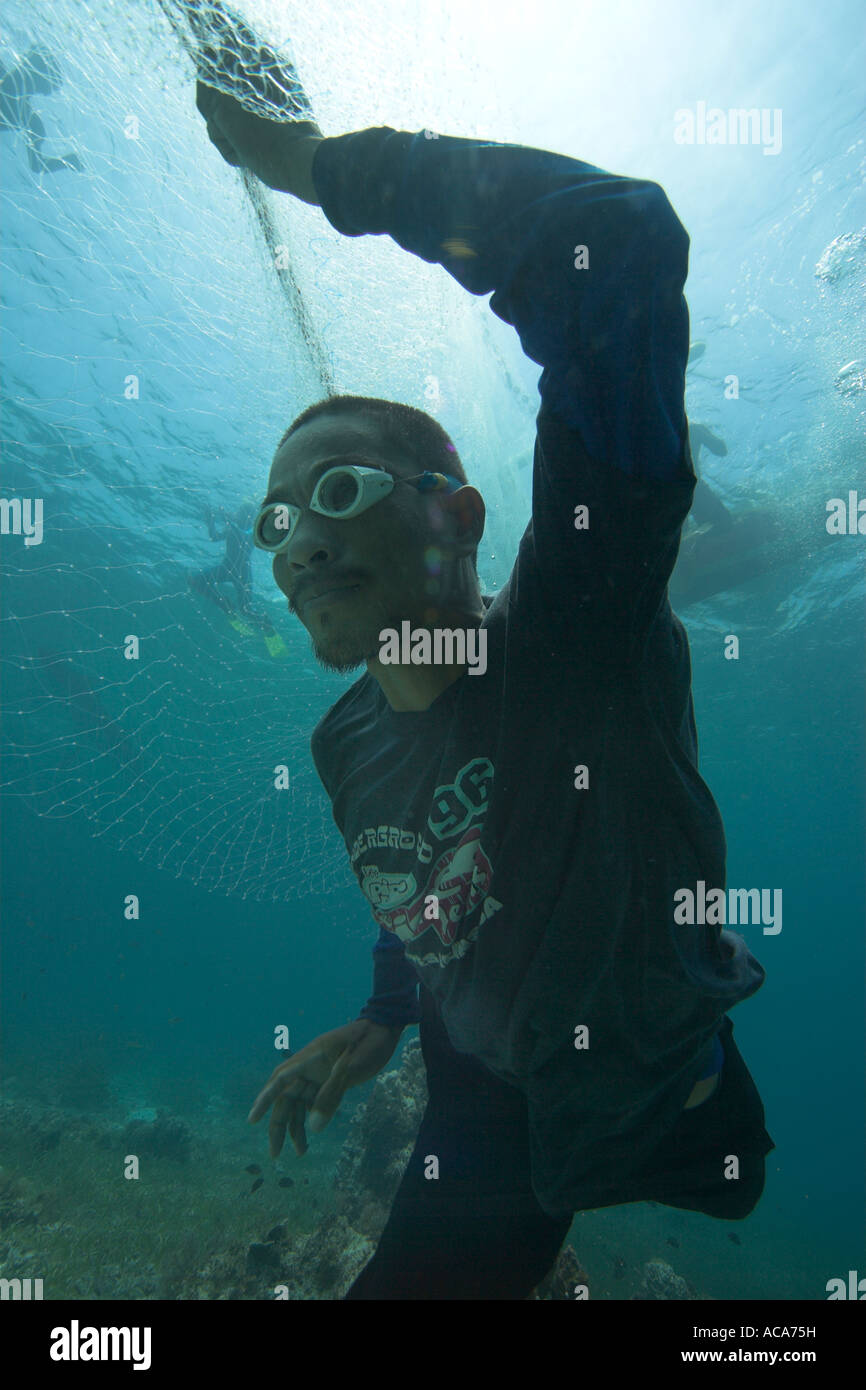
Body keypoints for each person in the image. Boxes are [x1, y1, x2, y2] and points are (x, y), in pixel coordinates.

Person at [195, 82, 775, 1300]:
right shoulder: (340, 741)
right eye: (278, 521)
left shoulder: (576, 623)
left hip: (644, 1092)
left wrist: (314, 167)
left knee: (726, 1180)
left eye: (341, 489)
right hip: (479, 1087)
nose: (299, 540)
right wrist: (381, 1016)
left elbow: (615, 239)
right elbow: (425, 888)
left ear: (455, 517)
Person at [187, 498, 286, 655]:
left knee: (246, 609)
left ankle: (267, 626)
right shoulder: (234, 527)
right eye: (240, 513)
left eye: (243, 513)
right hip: (227, 568)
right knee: (196, 580)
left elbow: (244, 535)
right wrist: (210, 520)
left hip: (242, 574)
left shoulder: (253, 531)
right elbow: (214, 537)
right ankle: (225, 605)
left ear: (250, 517)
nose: (239, 515)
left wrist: (226, 519)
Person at [0, 45, 82, 174]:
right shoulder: (31, 120)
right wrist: (68, 162)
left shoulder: (30, 120)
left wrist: (68, 162)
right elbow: (37, 166)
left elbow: (37, 165)